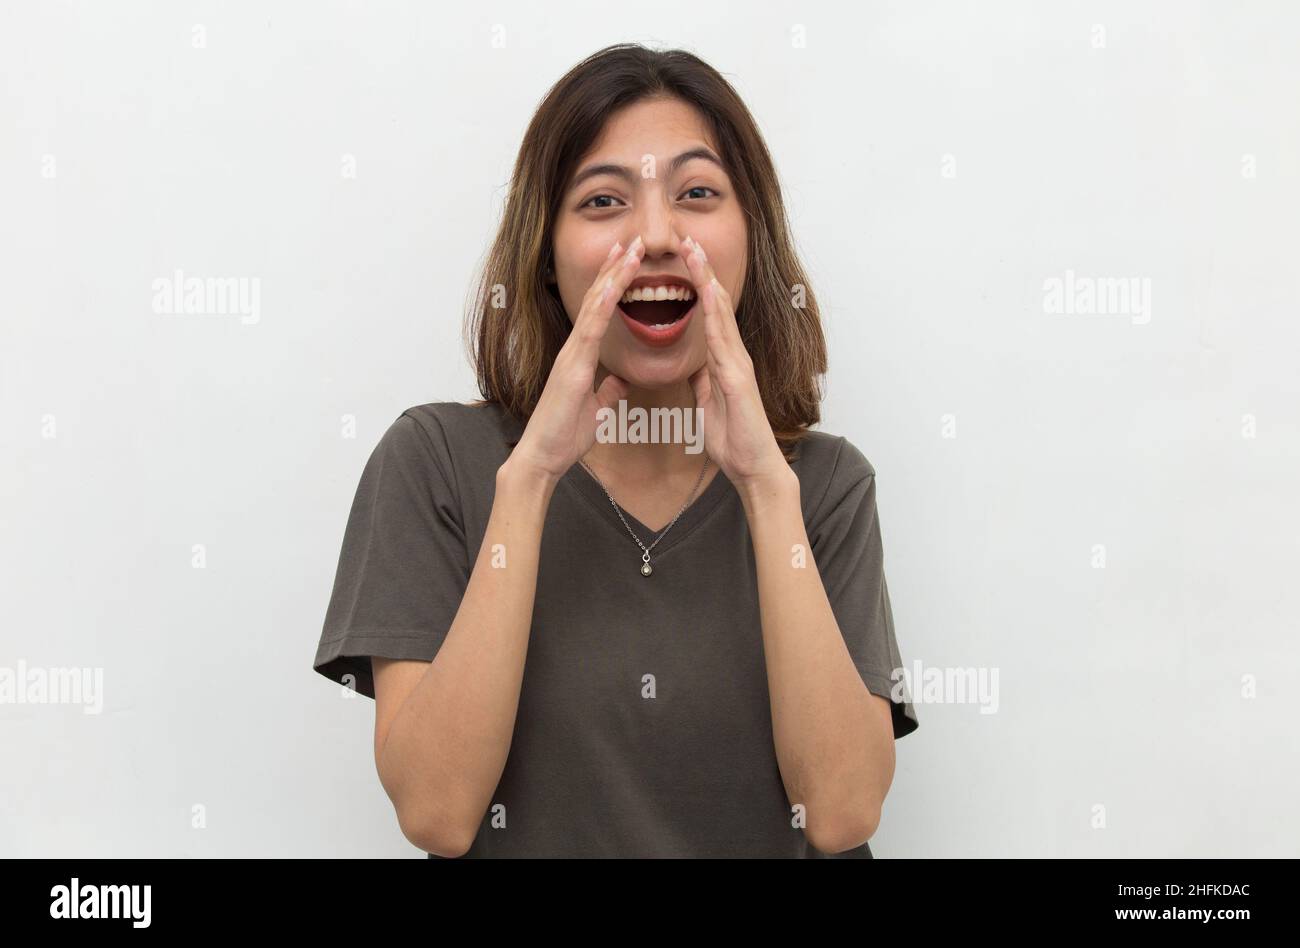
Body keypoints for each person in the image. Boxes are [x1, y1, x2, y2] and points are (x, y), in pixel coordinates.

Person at [312, 43, 919, 858]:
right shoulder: (435, 462)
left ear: (752, 238)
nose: (658, 236)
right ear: (547, 255)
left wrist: (768, 492)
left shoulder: (823, 485)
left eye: (697, 193)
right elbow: (437, 810)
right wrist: (529, 480)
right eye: (604, 202)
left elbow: (842, 812)